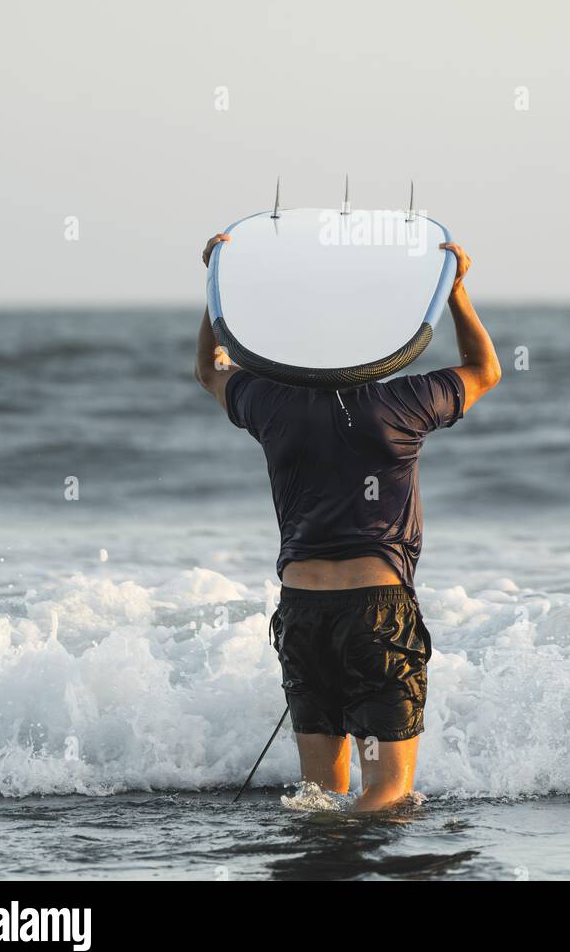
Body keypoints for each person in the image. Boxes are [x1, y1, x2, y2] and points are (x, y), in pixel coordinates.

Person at [195, 234, 500, 810]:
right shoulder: (403, 402)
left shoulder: (271, 404)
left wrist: (214, 286)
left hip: (302, 613)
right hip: (375, 616)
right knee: (387, 793)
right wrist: (456, 288)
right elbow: (484, 369)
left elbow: (210, 370)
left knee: (321, 795)